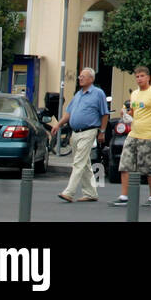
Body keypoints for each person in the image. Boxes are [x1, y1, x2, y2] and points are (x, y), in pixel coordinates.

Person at [111, 65, 151, 207]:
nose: (139, 79)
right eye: (137, 76)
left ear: (148, 77)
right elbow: (134, 111)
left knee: (149, 168)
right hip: (133, 134)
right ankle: (124, 195)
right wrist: (126, 115)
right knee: (125, 164)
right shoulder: (135, 94)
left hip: (148, 135)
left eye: (142, 76)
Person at [53, 67, 108, 203]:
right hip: (76, 133)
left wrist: (102, 131)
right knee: (85, 163)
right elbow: (69, 113)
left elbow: (105, 113)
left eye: (83, 76)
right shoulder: (78, 94)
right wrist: (58, 124)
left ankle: (69, 192)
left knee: (78, 162)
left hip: (89, 131)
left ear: (91, 79)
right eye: (79, 76)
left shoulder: (98, 93)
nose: (80, 78)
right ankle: (91, 193)